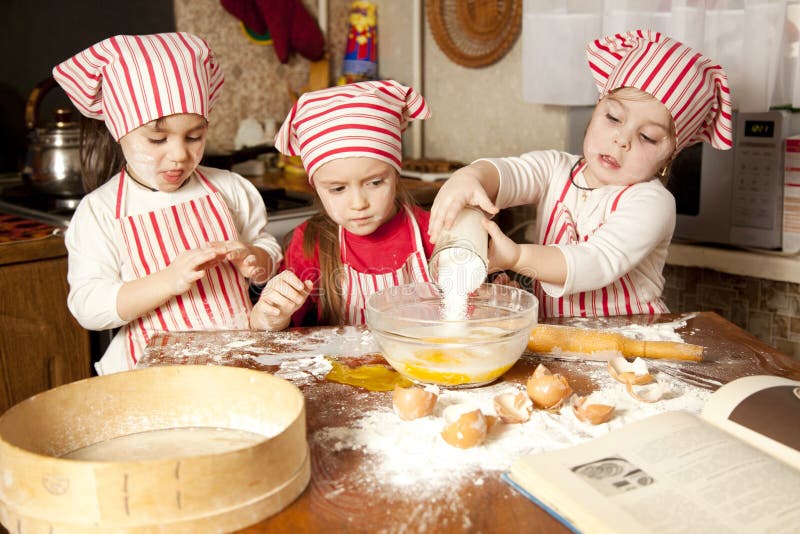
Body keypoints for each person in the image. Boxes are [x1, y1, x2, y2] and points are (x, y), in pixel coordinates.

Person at [428, 29, 733, 318]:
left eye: (648, 137)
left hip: (631, 346)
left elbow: (596, 261)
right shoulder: (555, 169)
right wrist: (470, 177)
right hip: (559, 343)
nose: (621, 139)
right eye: (613, 117)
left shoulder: (652, 203)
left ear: (670, 156)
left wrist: (518, 257)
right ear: (596, 110)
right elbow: (512, 172)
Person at [54, 33, 283, 374]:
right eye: (157, 139)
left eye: (194, 137)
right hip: (151, 380)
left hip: (238, 366)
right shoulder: (101, 212)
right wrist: (169, 280)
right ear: (120, 131)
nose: (179, 155)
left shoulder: (230, 188)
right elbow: (89, 307)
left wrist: (256, 261)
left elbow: (267, 251)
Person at [249, 80, 432, 329]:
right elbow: (283, 331)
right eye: (337, 189)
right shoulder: (310, 243)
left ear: (397, 173)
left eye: (375, 182)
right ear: (316, 188)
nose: (358, 203)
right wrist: (270, 315)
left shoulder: (432, 232)